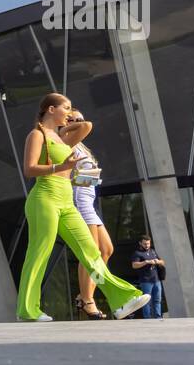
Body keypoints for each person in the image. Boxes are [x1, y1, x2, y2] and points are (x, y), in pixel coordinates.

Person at [16, 93, 149, 322]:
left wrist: (67, 124)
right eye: (65, 108)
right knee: (39, 253)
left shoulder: (61, 139)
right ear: (50, 109)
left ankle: (121, 299)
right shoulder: (37, 135)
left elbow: (87, 125)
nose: (69, 113)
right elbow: (29, 169)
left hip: (67, 201)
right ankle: (27, 310)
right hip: (44, 198)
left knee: (91, 252)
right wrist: (60, 166)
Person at [67, 109, 109, 319]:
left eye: (80, 119)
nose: (78, 123)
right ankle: (87, 299)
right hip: (79, 201)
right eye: (72, 119)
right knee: (90, 253)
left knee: (106, 250)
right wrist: (75, 124)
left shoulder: (80, 144)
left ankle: (85, 295)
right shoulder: (65, 141)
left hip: (88, 200)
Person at [130, 235, 165, 318]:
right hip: (145, 281)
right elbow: (134, 265)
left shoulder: (153, 251)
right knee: (146, 301)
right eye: (145, 244)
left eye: (148, 244)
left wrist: (158, 261)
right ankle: (147, 318)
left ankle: (158, 317)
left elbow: (163, 262)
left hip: (156, 280)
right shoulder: (137, 253)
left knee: (157, 300)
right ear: (140, 243)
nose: (147, 246)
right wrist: (146, 262)